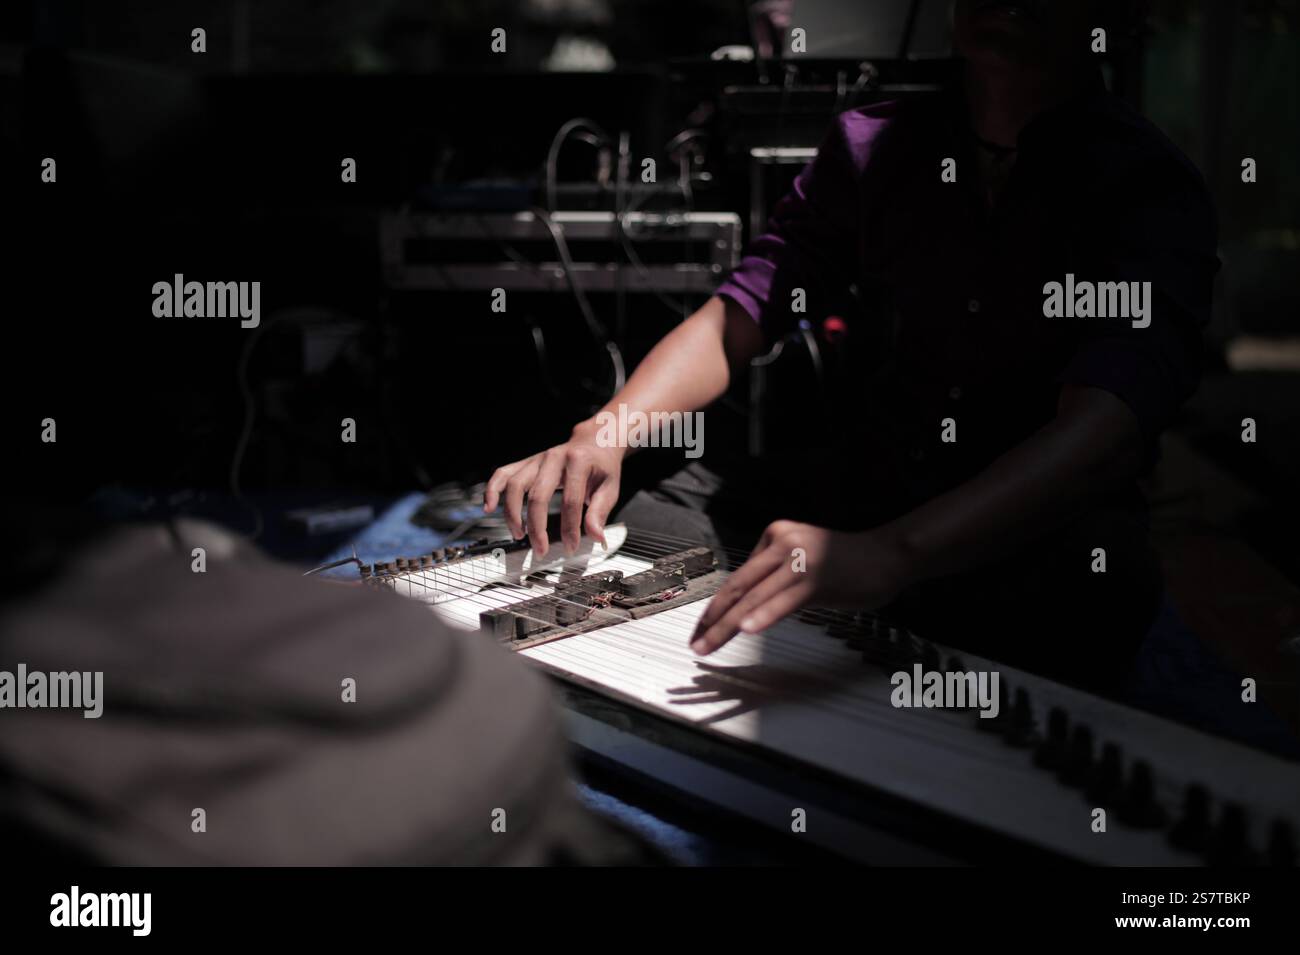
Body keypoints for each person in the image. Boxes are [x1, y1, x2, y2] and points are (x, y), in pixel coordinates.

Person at [484, 0, 1218, 696]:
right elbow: (739, 314)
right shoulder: (874, 147)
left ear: (1119, 15)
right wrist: (603, 434)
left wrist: (896, 554)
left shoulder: (1147, 188)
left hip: (1030, 532)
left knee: (1098, 585)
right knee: (647, 524)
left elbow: (1104, 430)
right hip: (875, 487)